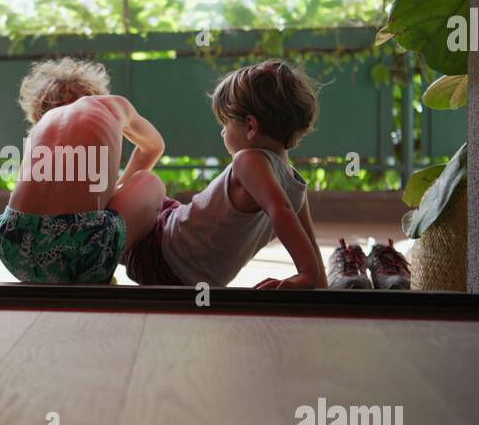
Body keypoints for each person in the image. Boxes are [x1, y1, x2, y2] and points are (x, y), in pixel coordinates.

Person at [122, 58, 326, 289]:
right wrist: (319, 283)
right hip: (182, 254)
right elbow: (310, 242)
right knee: (155, 198)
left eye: (226, 124)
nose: (222, 133)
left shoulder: (249, 159)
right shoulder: (294, 184)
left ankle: (94, 244)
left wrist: (306, 274)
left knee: (146, 182)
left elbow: (281, 211)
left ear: (251, 126)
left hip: (158, 254)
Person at [0, 58, 165, 283]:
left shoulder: (42, 128)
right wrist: (115, 193)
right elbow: (154, 146)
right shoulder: (114, 105)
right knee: (150, 182)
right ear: (95, 92)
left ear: (39, 112)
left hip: (12, 247)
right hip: (82, 252)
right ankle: (100, 263)